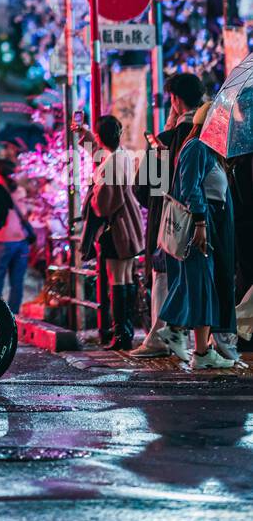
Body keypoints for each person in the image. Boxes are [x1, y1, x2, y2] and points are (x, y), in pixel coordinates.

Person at [160, 102, 240, 371]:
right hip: (199, 225)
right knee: (200, 284)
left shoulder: (210, 151)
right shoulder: (197, 147)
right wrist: (201, 223)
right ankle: (200, 351)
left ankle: (175, 330)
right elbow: (190, 186)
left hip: (210, 223)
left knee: (198, 284)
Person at [133, 70, 202, 361]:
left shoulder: (164, 141)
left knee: (162, 274)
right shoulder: (209, 137)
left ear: (174, 99)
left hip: (168, 218)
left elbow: (141, 188)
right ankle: (192, 339)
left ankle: (160, 335)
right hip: (204, 220)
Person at [86, 114, 144, 351]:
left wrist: (92, 195)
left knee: (117, 279)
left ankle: (121, 334)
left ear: (100, 137)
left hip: (116, 227)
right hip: (129, 223)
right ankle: (126, 331)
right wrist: (86, 136)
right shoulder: (123, 156)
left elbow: (103, 204)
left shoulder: (110, 164)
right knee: (127, 276)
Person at [0, 157, 34, 315]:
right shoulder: (20, 191)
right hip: (21, 241)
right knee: (17, 282)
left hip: (1, 241)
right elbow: (26, 216)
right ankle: (12, 317)